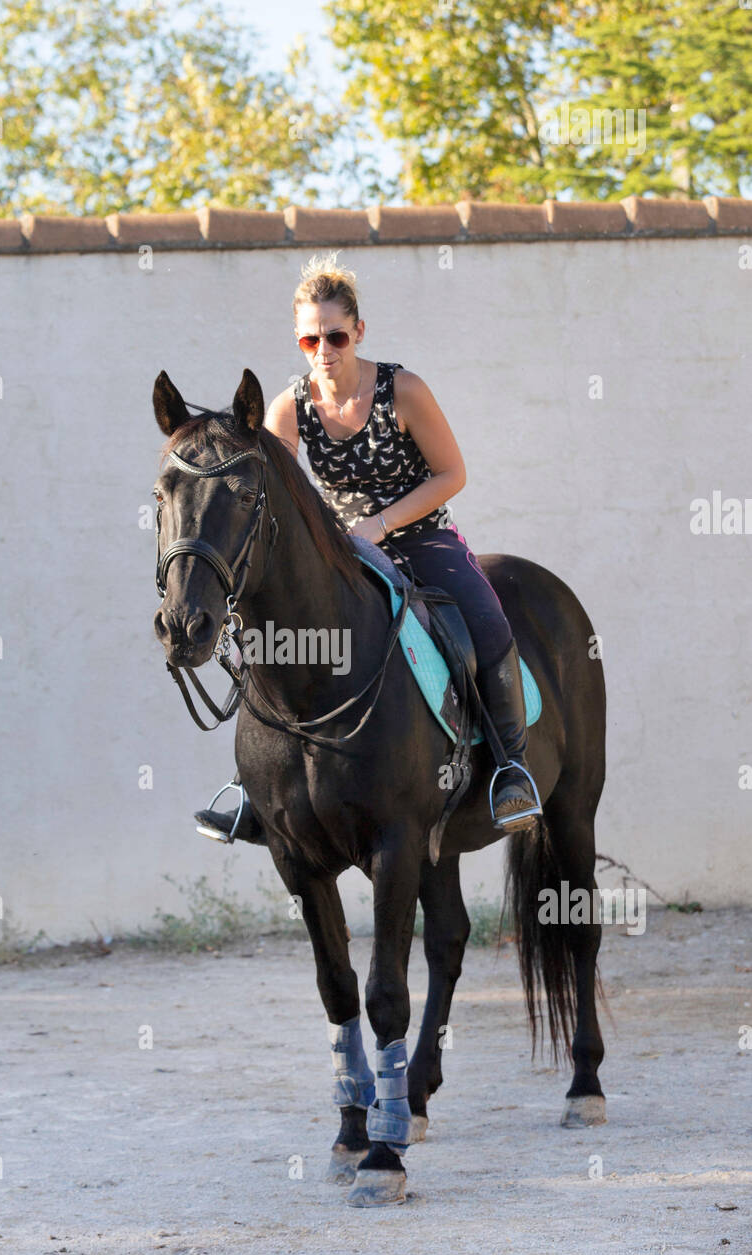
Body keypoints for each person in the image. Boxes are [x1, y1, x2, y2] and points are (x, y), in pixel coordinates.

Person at [194, 252, 541, 844]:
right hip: (339, 549)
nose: (323, 349)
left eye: (334, 335)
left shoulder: (404, 389)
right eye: (310, 339)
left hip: (421, 535)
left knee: (485, 624)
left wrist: (377, 525)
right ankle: (253, 786)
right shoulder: (288, 408)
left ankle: (510, 769)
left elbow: (452, 474)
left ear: (358, 331)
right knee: (276, 632)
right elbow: (283, 496)